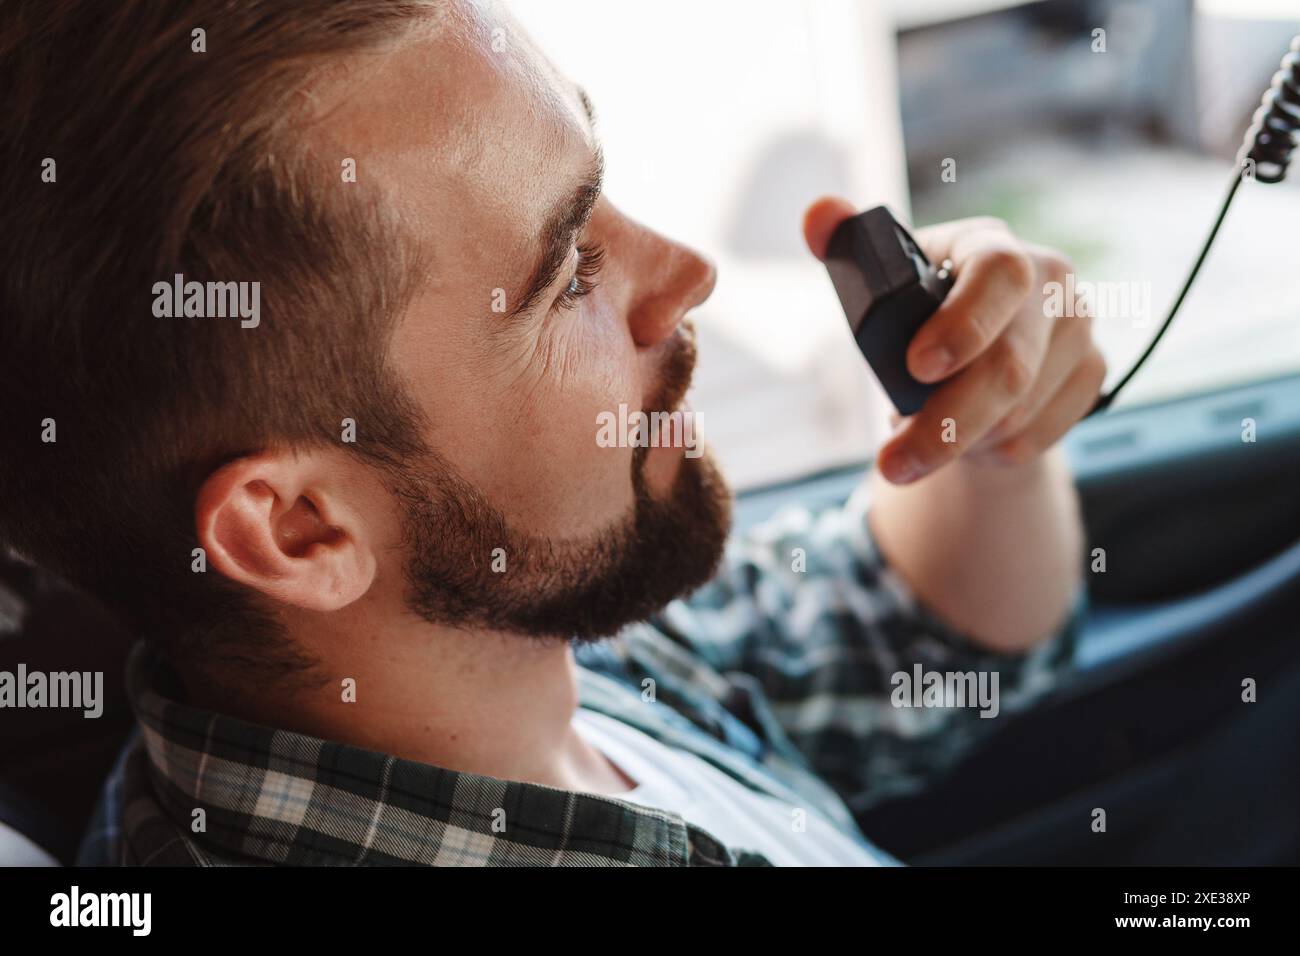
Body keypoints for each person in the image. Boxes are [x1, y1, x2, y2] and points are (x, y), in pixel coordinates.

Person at [0, 0, 1103, 866]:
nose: (685, 272)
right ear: (298, 527)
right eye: (566, 269)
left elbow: (903, 640)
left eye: (597, 187)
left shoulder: (518, 636)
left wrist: (986, 426)